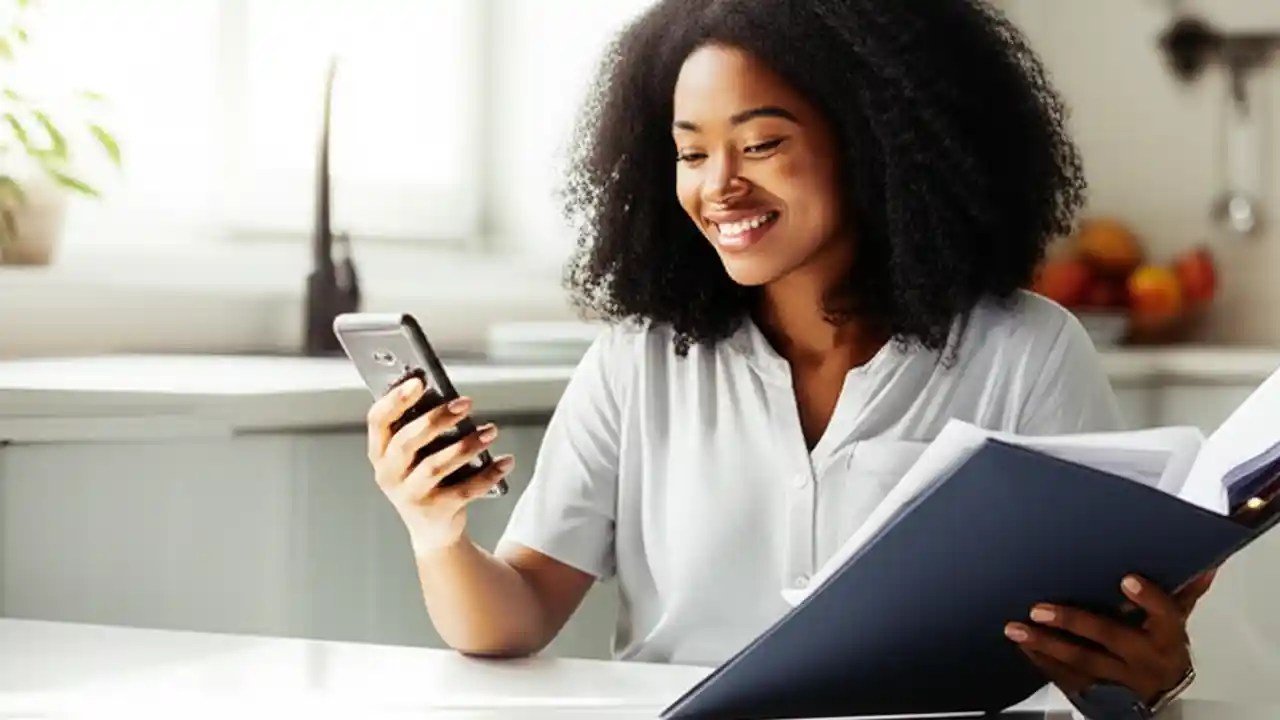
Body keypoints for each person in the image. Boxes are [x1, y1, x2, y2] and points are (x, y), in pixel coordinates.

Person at [363, 0, 1216, 714]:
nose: (718, 185)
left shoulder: (1024, 351)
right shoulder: (639, 362)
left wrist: (1152, 676)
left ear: (878, 141)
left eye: (761, 144)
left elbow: (1104, 655)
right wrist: (436, 533)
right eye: (691, 152)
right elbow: (511, 618)